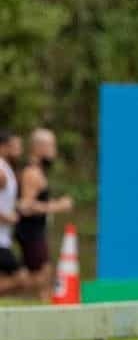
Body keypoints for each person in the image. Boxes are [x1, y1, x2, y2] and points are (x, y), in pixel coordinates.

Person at [16, 128, 73, 299]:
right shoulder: (32, 173)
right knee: (39, 277)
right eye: (51, 146)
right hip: (30, 233)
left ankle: (46, 309)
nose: (54, 151)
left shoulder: (38, 171)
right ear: (39, 147)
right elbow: (24, 206)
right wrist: (58, 206)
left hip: (37, 231)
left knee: (44, 276)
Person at [0, 130, 23, 294]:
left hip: (4, 237)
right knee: (21, 278)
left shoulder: (7, 169)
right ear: (3, 147)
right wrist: (6, 216)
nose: (19, 150)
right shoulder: (1, 171)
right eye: (15, 146)